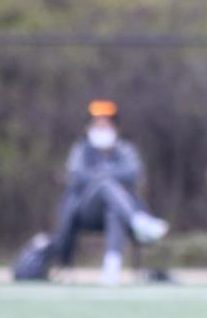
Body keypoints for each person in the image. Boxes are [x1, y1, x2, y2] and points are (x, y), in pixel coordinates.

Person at [51, 100, 168, 285]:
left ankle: (111, 267)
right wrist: (105, 176)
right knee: (106, 184)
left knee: (114, 210)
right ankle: (137, 220)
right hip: (85, 210)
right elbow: (77, 176)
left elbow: (132, 173)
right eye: (98, 125)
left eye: (106, 125)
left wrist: (99, 173)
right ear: (89, 127)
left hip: (115, 210)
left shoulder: (125, 150)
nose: (102, 129)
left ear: (115, 128)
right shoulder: (81, 150)